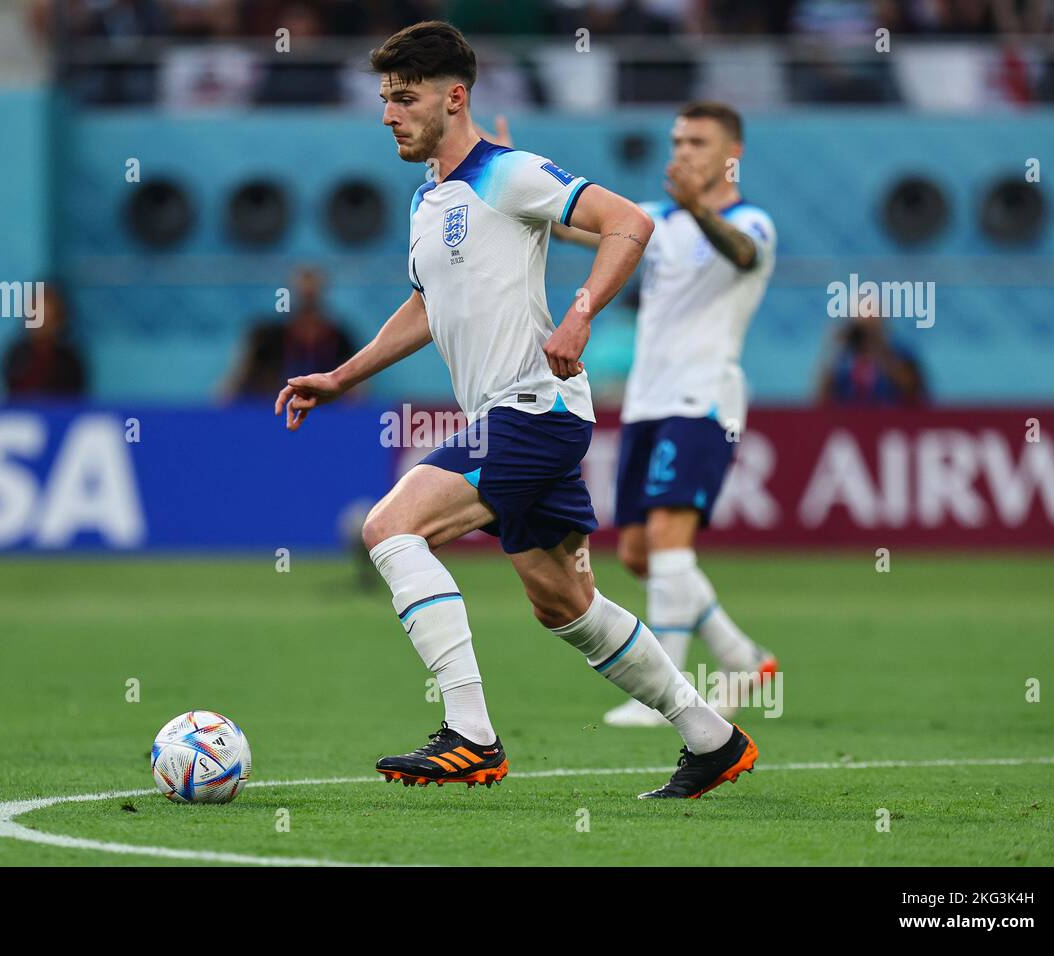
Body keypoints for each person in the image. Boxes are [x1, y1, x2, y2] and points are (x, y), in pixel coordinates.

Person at [273, 20, 757, 800]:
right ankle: (712, 738)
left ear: (453, 97)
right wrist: (343, 373)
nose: (389, 114)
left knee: (389, 528)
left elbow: (629, 222)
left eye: (405, 98)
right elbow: (430, 305)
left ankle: (471, 735)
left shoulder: (511, 172)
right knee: (562, 602)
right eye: (385, 100)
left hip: (533, 408)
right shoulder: (430, 200)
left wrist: (581, 312)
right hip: (508, 415)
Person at [550, 101, 779, 728]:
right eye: (677, 140)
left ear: (732, 153)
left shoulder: (751, 223)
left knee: (672, 545)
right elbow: (577, 228)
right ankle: (742, 657)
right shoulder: (657, 220)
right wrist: (514, 178)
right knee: (640, 554)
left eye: (698, 142)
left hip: (702, 400)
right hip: (648, 402)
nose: (681, 152)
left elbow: (741, 255)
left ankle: (669, 696)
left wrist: (701, 210)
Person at [225, 266, 356, 399]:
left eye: (311, 299)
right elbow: (234, 381)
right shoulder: (268, 336)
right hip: (273, 409)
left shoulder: (340, 338)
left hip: (325, 410)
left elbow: (357, 392)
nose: (307, 303)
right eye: (304, 297)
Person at [817, 308, 927, 407]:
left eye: (872, 318)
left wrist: (878, 348)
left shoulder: (899, 352)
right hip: (848, 421)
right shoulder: (844, 357)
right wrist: (832, 348)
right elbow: (821, 398)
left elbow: (913, 389)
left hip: (890, 421)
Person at [1, 282, 88, 398]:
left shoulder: (69, 362)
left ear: (58, 320)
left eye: (46, 318)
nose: (40, 325)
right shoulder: (17, 356)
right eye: (34, 316)